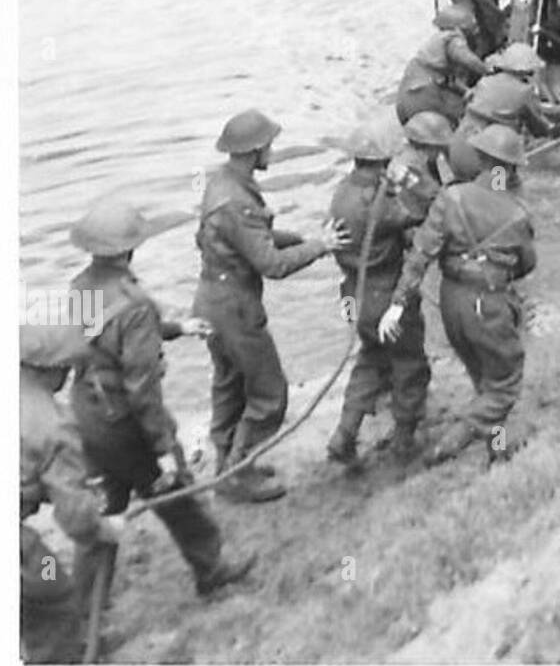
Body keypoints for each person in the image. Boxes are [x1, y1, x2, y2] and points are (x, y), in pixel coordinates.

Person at [67, 196, 255, 600]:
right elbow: (142, 390)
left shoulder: (81, 285)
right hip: (125, 423)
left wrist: (177, 327)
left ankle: (84, 614)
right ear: (128, 249)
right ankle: (212, 570)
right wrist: (165, 450)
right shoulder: (135, 305)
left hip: (87, 415)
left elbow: (101, 339)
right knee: (177, 497)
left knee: (105, 512)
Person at [194, 108, 348, 502]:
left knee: (229, 388)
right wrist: (319, 247)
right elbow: (271, 264)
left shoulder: (223, 184)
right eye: (269, 146)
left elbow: (250, 236)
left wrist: (298, 237)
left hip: (213, 300)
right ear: (255, 150)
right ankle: (237, 473)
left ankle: (228, 465)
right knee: (269, 393)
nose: (272, 152)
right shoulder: (236, 200)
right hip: (235, 308)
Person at [383, 124, 536, 465]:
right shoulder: (517, 212)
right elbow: (527, 264)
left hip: (452, 302)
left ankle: (497, 450)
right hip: (489, 304)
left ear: (480, 158)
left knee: (484, 382)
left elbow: (420, 254)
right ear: (512, 168)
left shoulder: (449, 197)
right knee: (505, 383)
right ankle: (454, 440)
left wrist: (396, 304)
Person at [326, 112, 430, 467]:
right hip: (386, 294)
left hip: (354, 293)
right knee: (408, 363)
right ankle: (404, 439)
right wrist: (409, 180)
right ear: (384, 161)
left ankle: (344, 432)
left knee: (370, 359)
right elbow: (424, 210)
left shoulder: (341, 193)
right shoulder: (380, 203)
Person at [21, 326, 124, 664]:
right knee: (56, 590)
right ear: (53, 370)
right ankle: (57, 656)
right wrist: (106, 526)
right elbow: (76, 519)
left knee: (37, 580)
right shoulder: (53, 424)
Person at [445, 42, 553, 182]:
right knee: (500, 195)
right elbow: (538, 127)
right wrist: (551, 130)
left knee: (467, 194)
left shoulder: (485, 81)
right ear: (528, 71)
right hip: (489, 158)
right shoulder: (524, 91)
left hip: (457, 148)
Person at [395, 7, 489, 126]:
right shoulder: (452, 39)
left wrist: (466, 91)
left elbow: (449, 80)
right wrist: (488, 71)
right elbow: (468, 60)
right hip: (425, 94)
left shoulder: (432, 47)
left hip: (407, 97)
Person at [389, 110, 455, 219]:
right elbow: (435, 195)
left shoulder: (410, 156)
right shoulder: (409, 168)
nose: (439, 153)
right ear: (428, 146)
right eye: (438, 148)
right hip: (412, 221)